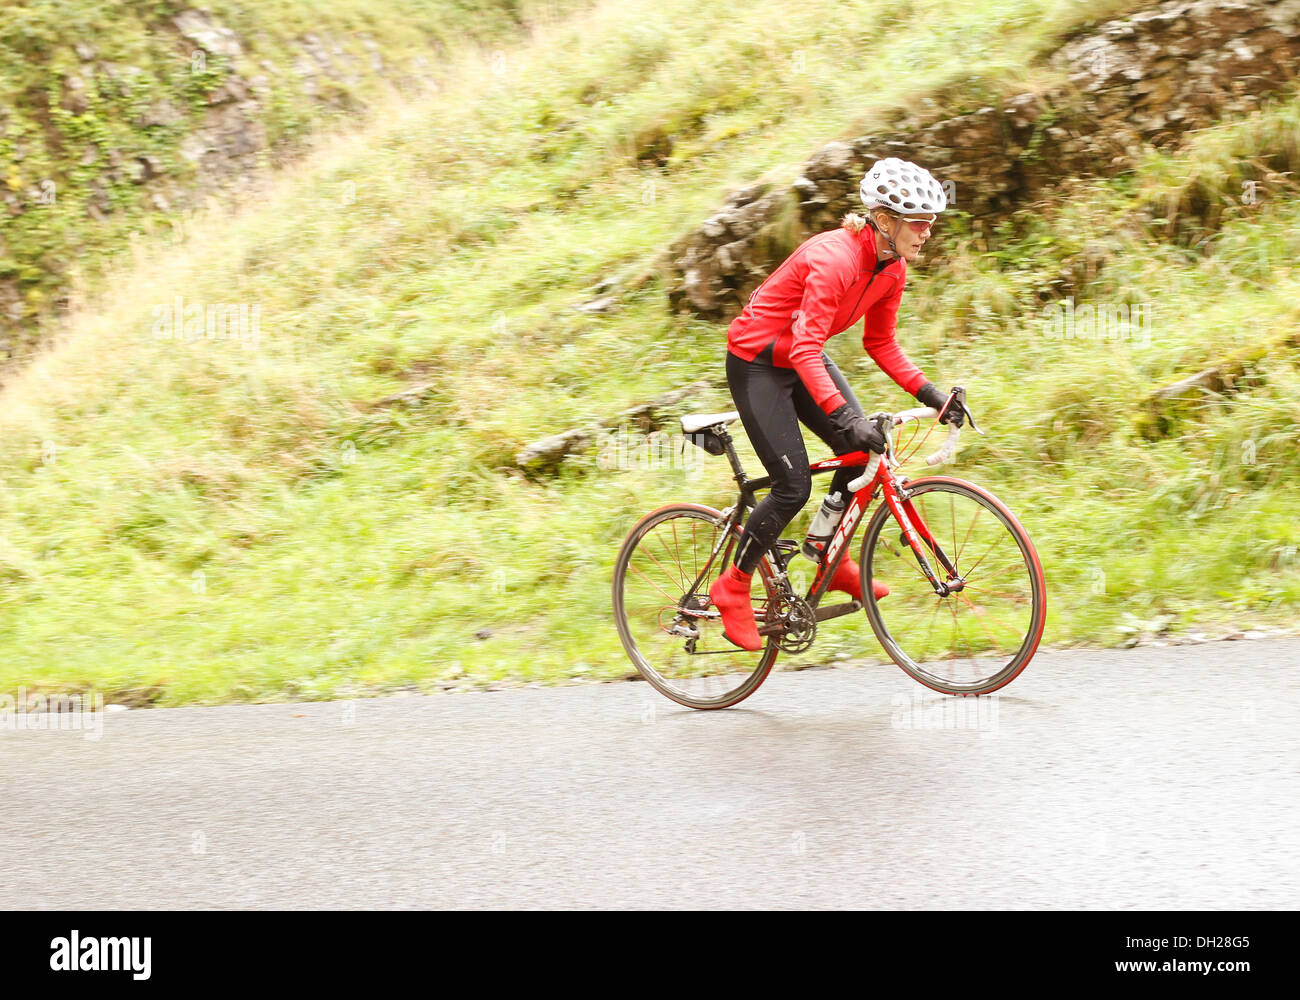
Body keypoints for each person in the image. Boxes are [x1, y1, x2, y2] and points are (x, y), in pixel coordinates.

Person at [708, 158, 964, 651]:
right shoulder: (835, 259)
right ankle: (732, 586)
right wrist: (847, 416)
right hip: (758, 362)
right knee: (792, 486)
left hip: (801, 357)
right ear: (885, 221)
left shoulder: (892, 269)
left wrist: (932, 396)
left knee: (863, 450)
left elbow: (881, 343)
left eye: (931, 222)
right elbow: (805, 348)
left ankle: (830, 556)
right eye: (919, 222)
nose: (927, 232)